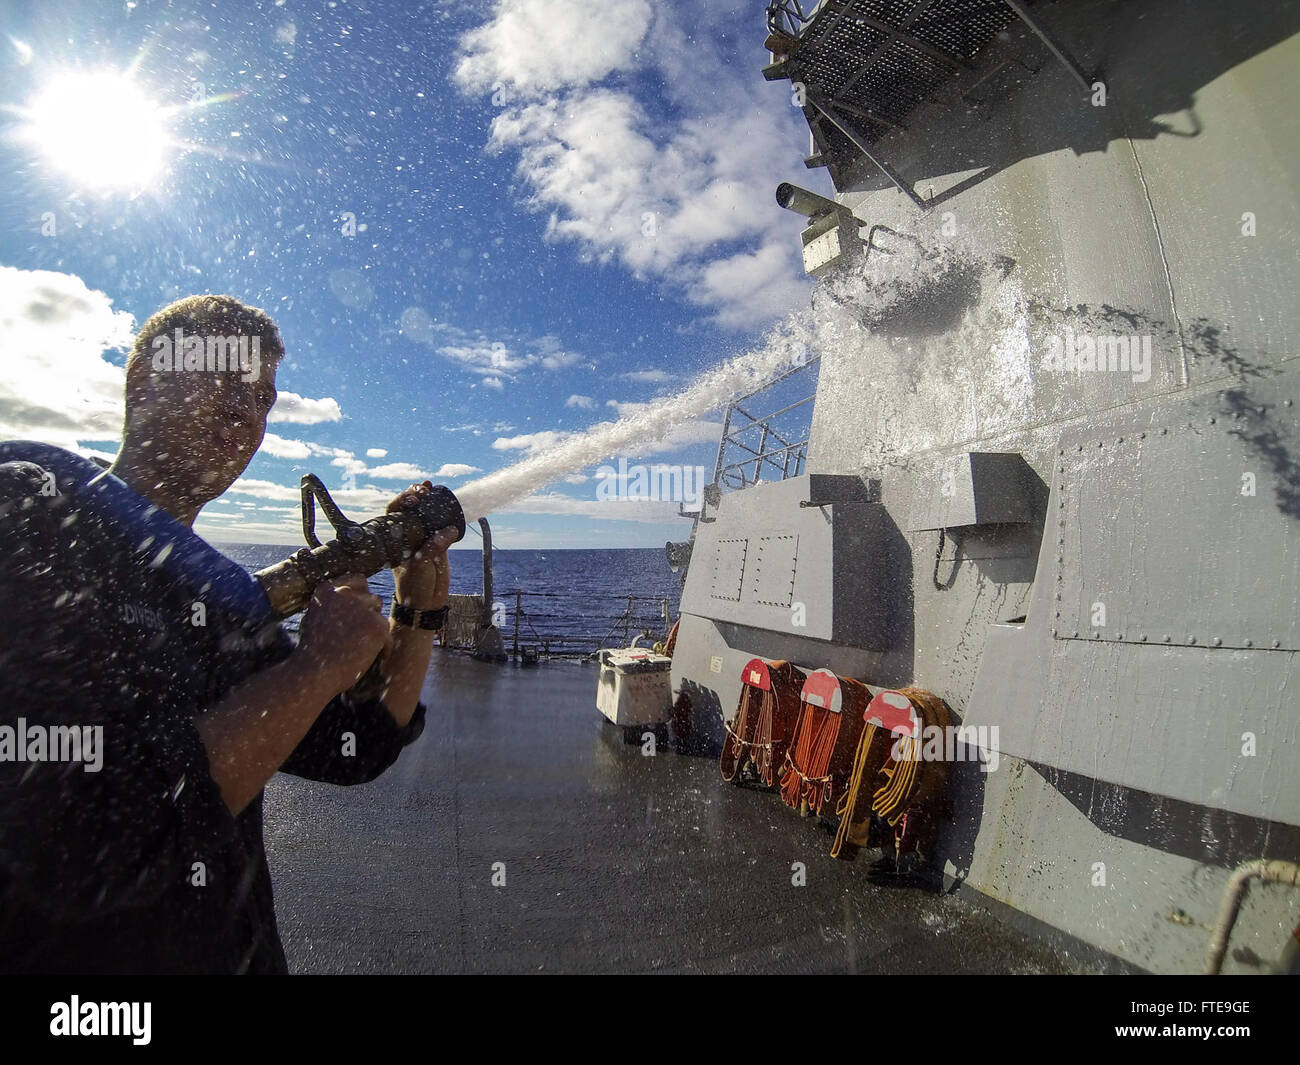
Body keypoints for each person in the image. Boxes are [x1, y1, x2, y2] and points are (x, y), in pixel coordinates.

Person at [0, 294, 457, 973]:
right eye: (224, 377)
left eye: (265, 397)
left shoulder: (218, 602)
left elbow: (356, 748)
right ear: (142, 380)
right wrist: (312, 669)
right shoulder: (32, 517)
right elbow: (93, 839)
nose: (248, 412)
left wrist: (418, 611)